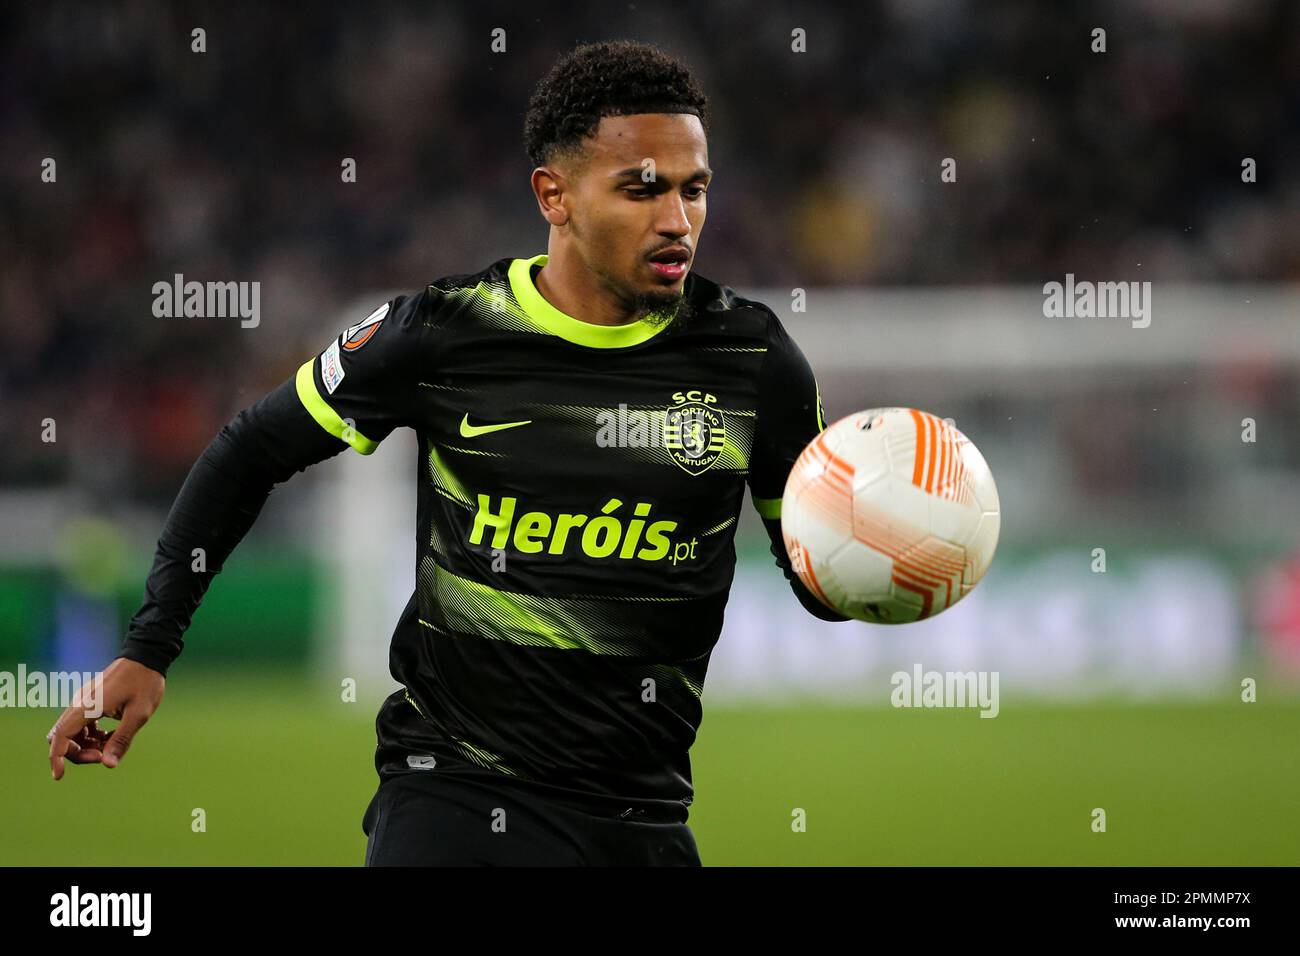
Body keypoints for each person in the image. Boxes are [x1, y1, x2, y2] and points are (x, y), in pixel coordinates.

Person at [46, 39, 849, 866]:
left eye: (694, 189)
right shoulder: (445, 332)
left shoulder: (752, 362)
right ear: (555, 195)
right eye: (641, 188)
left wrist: (892, 552)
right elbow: (250, 449)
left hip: (644, 816)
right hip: (456, 798)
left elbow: (821, 579)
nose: (676, 220)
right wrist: (148, 648)